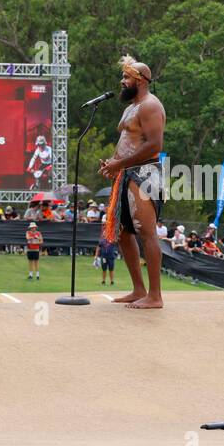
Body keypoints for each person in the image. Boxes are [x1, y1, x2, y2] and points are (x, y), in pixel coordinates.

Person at [98, 55, 167, 309]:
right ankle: (139, 289)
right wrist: (112, 163)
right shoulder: (130, 108)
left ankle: (155, 296)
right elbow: (128, 142)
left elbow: (154, 145)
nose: (122, 81)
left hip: (145, 174)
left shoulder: (150, 105)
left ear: (141, 81)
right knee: (124, 234)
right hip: (126, 174)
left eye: (127, 77)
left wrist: (121, 164)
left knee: (146, 233)